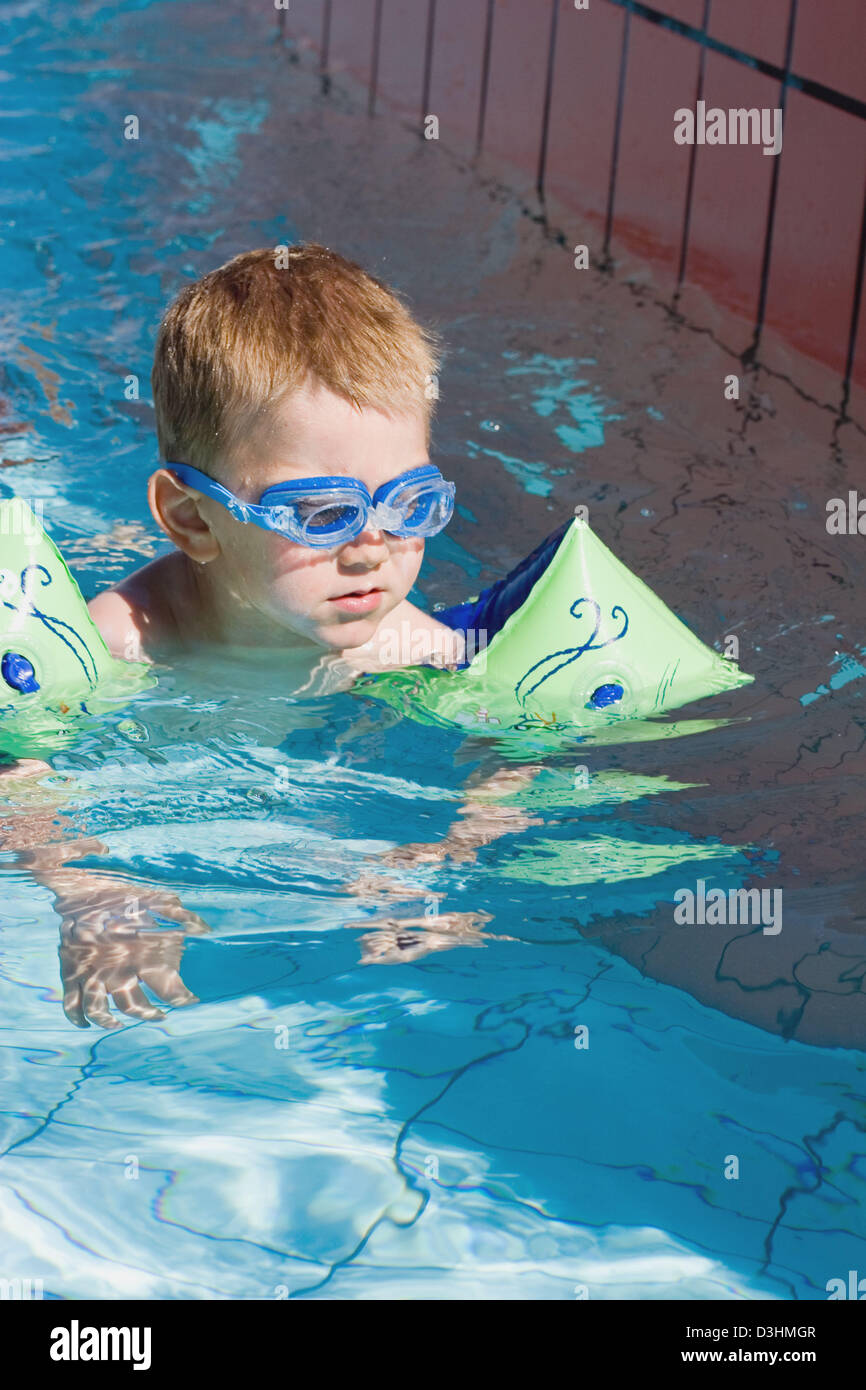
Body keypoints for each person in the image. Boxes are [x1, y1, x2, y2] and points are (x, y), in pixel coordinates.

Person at [0, 244, 545, 1026]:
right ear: (192, 518)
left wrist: (446, 859)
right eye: (322, 513)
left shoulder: (402, 639)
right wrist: (87, 889)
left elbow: (516, 751)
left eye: (411, 503)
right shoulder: (120, 641)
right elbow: (16, 773)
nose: (372, 548)